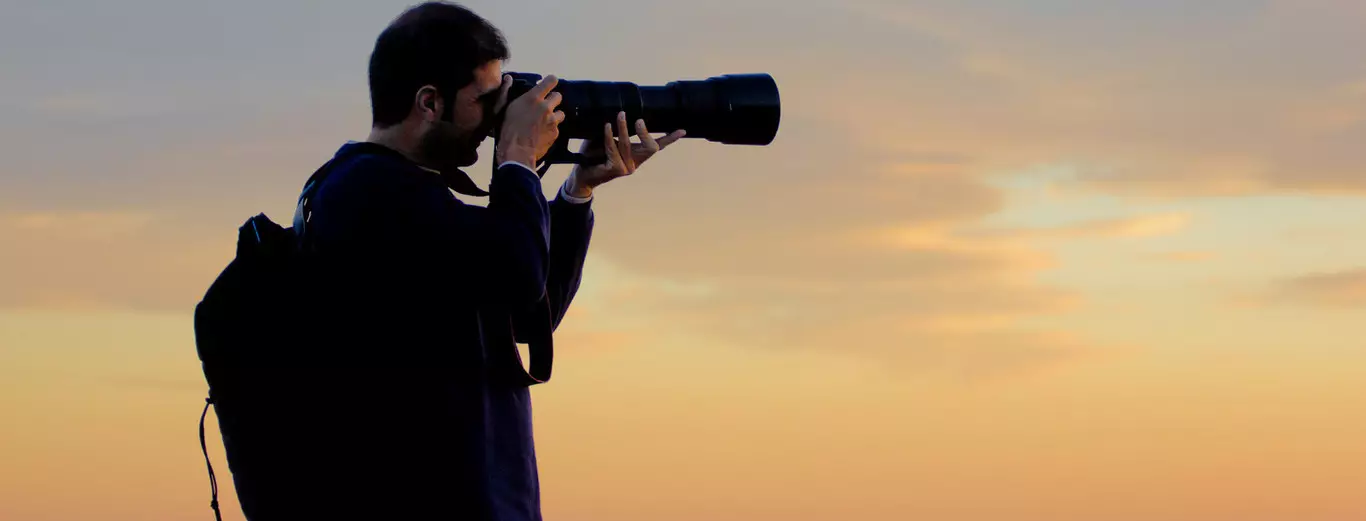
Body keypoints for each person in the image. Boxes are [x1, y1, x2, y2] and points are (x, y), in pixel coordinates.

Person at [220, 2, 685, 520]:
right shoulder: (367, 192)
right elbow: (516, 273)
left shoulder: (409, 198)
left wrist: (577, 191)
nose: (495, 119)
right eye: (486, 100)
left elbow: (528, 314)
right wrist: (516, 159)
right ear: (429, 102)